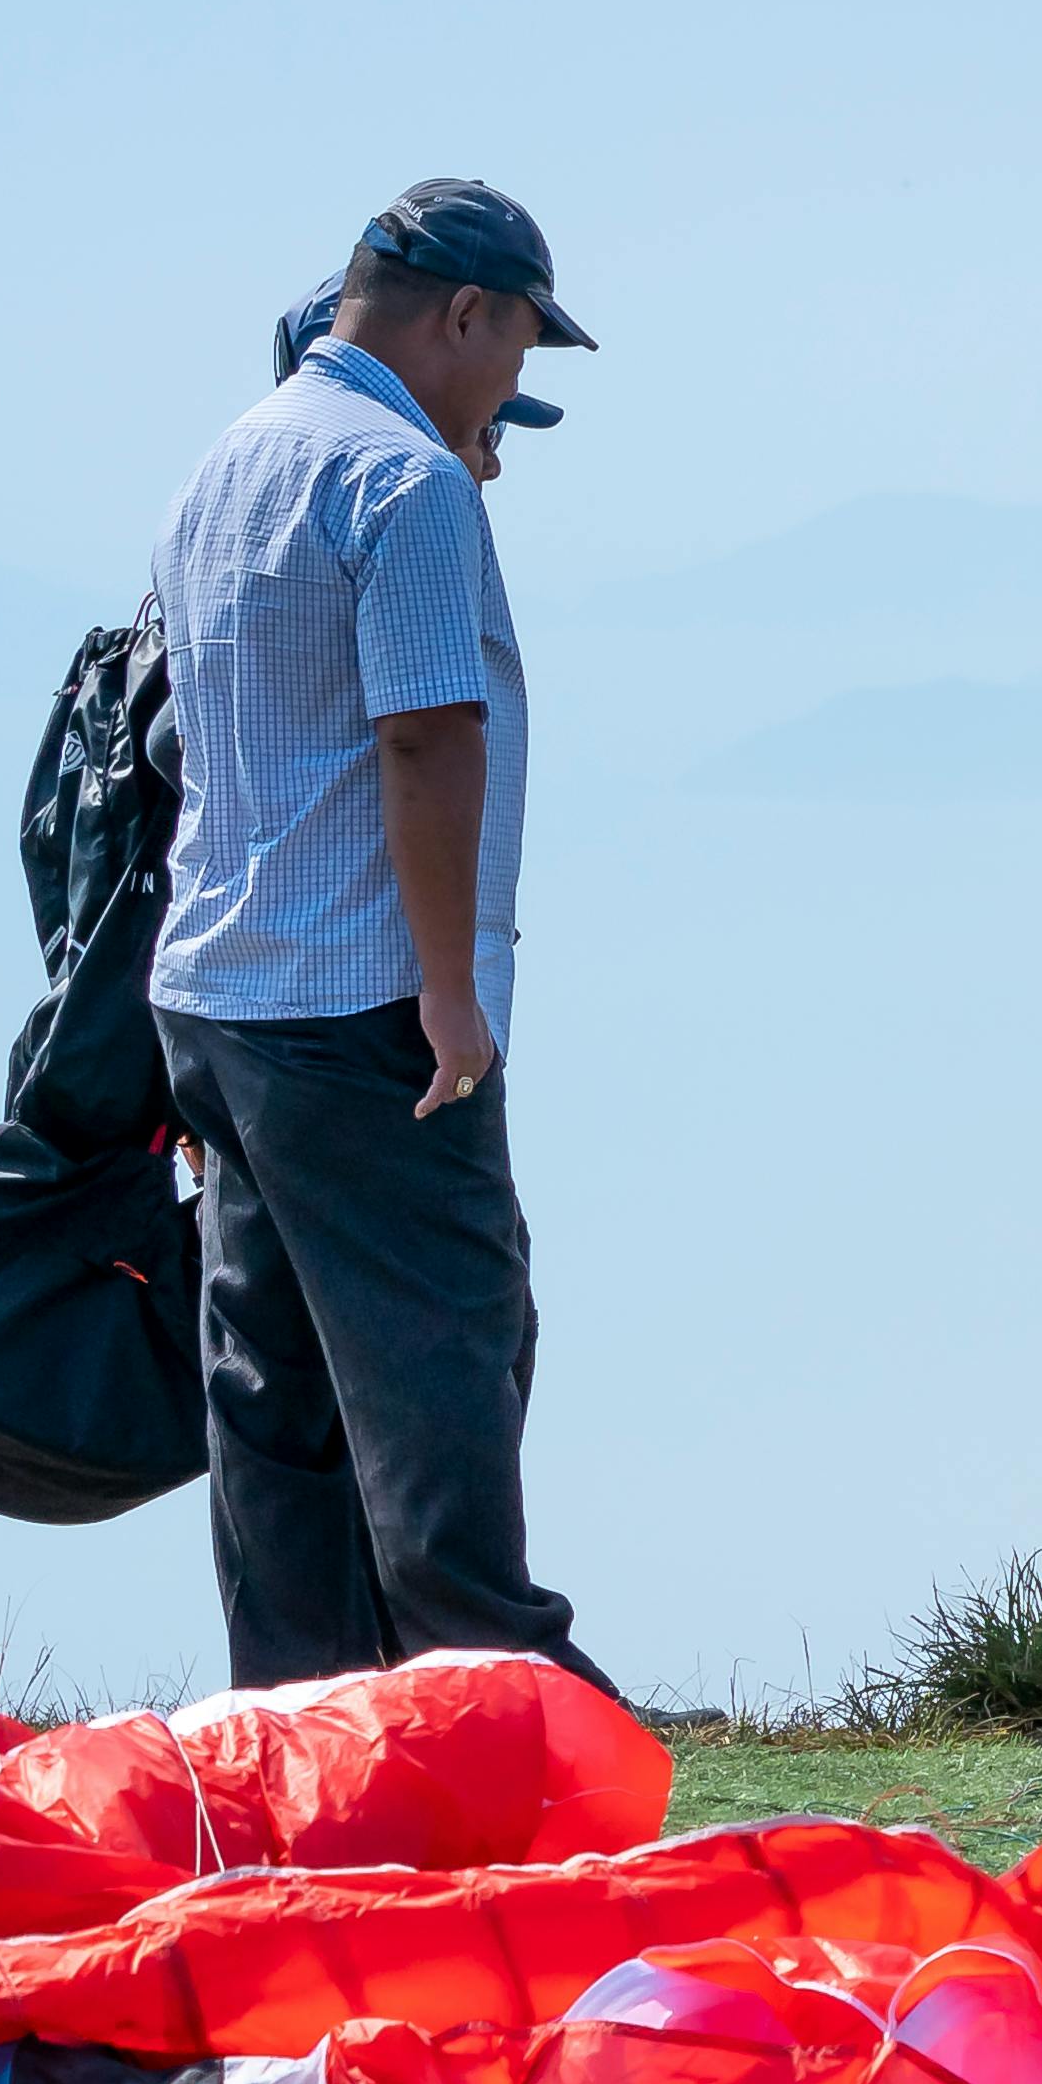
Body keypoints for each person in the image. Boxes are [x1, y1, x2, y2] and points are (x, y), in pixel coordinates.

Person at [139, 177, 613, 1696]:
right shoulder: (403, 485)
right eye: (520, 348)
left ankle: (299, 1710)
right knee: (445, 1351)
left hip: (216, 994)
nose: (514, 387)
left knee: (271, 1390)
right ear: (464, 314)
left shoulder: (223, 462)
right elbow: (424, 740)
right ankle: (493, 1691)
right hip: (362, 1003)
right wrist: (452, 996)